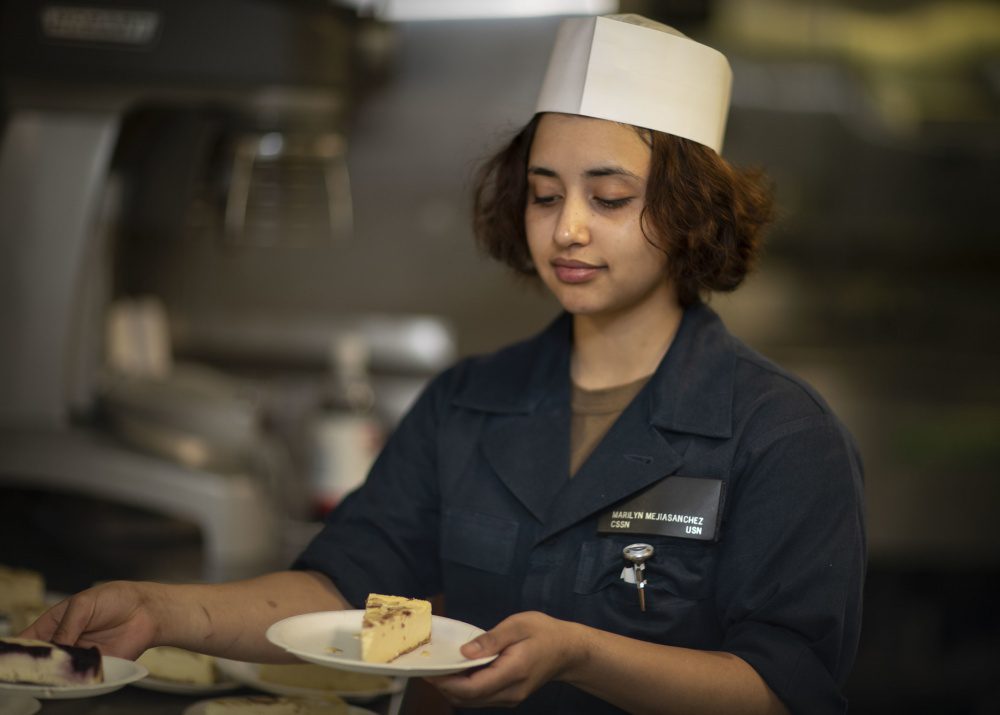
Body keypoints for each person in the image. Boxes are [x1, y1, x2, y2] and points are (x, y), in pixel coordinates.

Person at [24, 14, 865, 715]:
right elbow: (338, 591)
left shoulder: (779, 435)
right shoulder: (468, 403)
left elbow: (784, 688)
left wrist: (580, 654)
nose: (566, 228)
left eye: (609, 198)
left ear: (689, 212)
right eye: (544, 193)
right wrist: (165, 608)